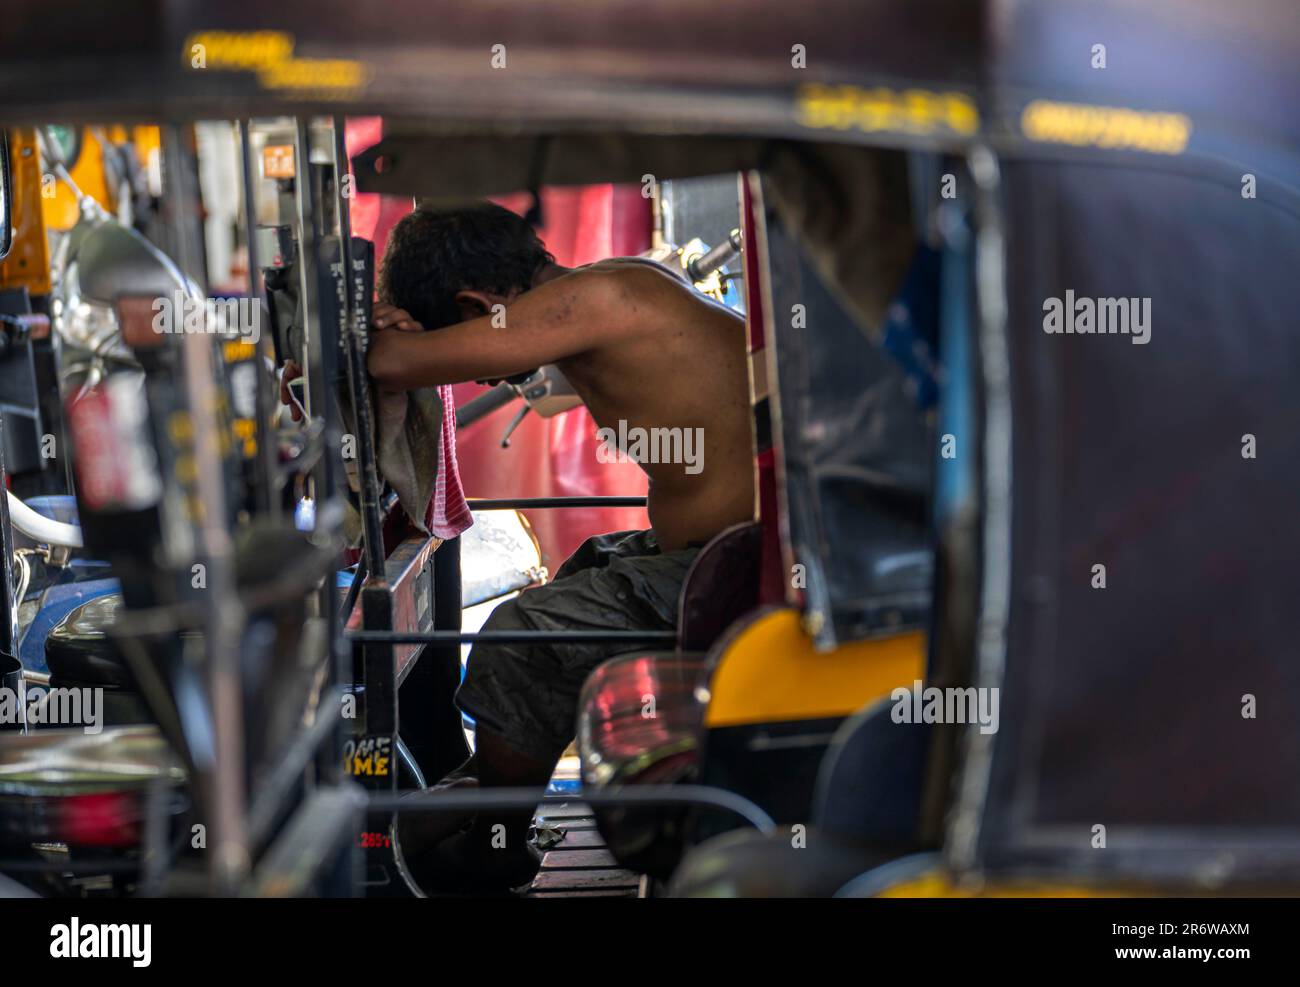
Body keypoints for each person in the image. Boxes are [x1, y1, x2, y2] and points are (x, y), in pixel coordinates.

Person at [354, 201, 754, 890]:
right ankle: (487, 786)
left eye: (485, 364)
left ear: (477, 303)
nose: (491, 380)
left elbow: (391, 361)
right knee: (589, 565)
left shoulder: (587, 300)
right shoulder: (611, 283)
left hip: (733, 565)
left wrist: (382, 330)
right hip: (720, 554)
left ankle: (495, 838)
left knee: (526, 630)